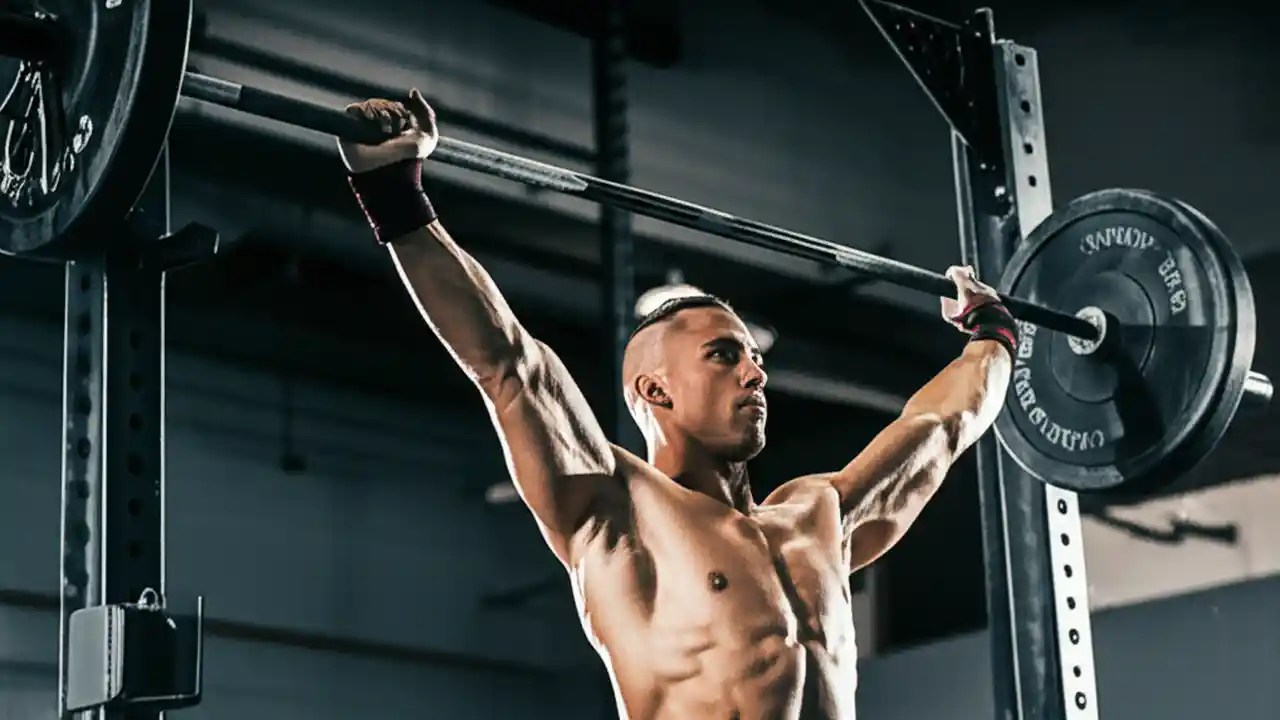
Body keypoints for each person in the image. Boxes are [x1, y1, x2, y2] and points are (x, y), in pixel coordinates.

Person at [338, 91, 1016, 720]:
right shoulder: (616, 508)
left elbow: (942, 425)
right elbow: (511, 364)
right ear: (655, 390)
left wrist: (993, 332)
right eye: (725, 355)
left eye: (755, 357)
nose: (755, 373)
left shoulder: (818, 516)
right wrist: (394, 197)